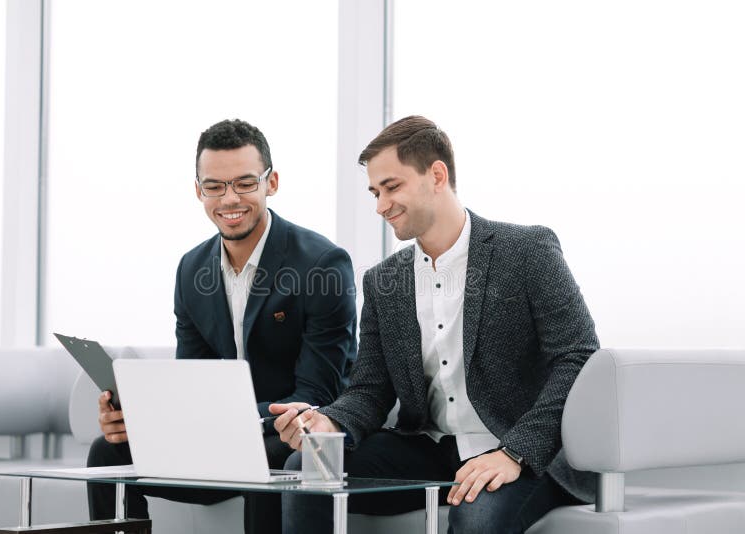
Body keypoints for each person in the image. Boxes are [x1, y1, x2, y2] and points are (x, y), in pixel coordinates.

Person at [271, 115, 599, 534]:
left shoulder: (526, 252)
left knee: (477, 514)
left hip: (516, 449)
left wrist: (514, 453)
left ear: (437, 175)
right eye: (374, 192)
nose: (380, 205)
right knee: (308, 465)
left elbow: (578, 357)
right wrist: (329, 423)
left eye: (392, 187)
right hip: (428, 448)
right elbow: (370, 390)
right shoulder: (384, 280)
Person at [86, 119, 358, 534]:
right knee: (108, 450)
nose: (229, 198)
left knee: (269, 460)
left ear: (273, 182)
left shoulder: (322, 264)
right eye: (214, 186)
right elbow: (194, 378)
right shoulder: (192, 268)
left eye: (245, 183)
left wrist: (233, 420)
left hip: (287, 434)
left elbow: (316, 393)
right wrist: (138, 417)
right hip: (218, 440)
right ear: (198, 190)